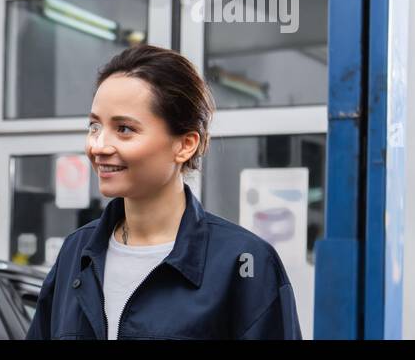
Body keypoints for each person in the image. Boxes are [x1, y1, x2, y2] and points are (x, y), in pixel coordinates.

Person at [27, 44, 302, 340]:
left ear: (185, 145)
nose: (97, 146)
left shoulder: (244, 263)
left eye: (124, 129)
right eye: (95, 126)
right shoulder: (77, 253)